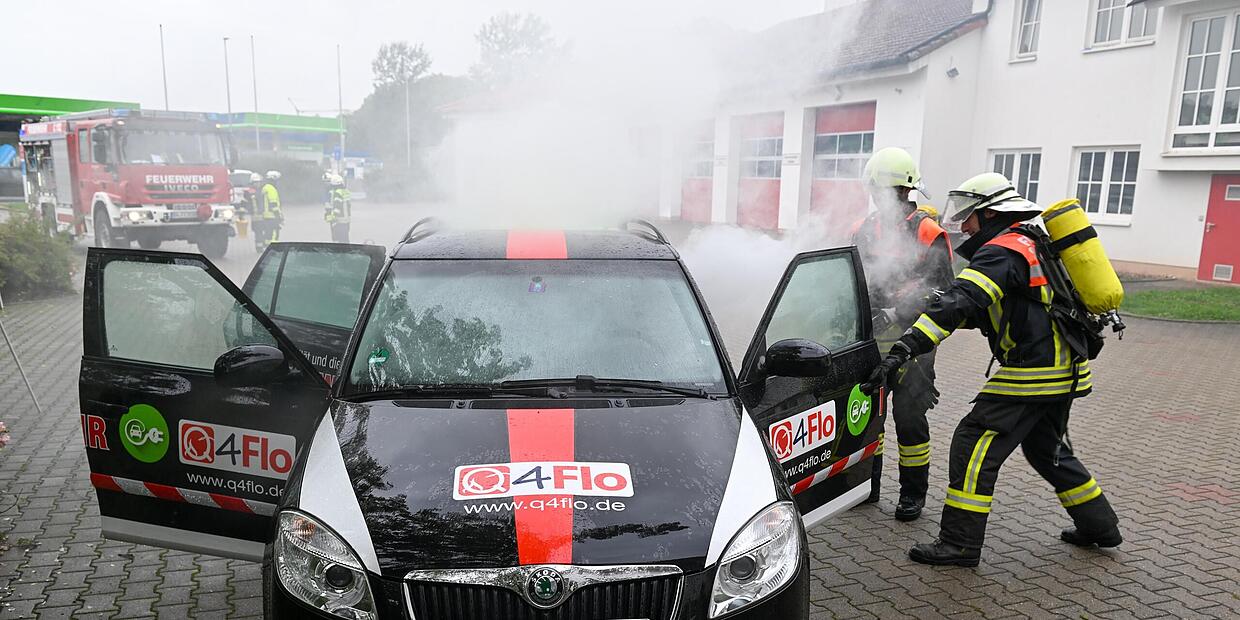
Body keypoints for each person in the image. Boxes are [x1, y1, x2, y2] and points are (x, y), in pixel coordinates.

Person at [862, 172, 1121, 567]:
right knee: (1046, 449)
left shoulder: (1002, 251)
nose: (964, 225)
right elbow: (985, 311)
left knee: (972, 443)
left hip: (1034, 372)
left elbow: (962, 301)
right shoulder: (1028, 242)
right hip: (1063, 366)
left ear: (991, 214)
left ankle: (959, 543)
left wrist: (905, 346)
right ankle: (1100, 525)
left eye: (970, 216)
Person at [851, 147, 954, 522]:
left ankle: (913, 495)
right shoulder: (861, 229)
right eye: (876, 191)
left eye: (885, 191)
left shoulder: (928, 232)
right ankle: (867, 486)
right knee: (868, 419)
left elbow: (943, 290)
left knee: (910, 420)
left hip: (914, 344)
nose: (879, 198)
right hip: (869, 344)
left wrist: (898, 310)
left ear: (904, 191)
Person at [252, 170, 283, 251]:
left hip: (266, 216)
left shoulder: (265, 187)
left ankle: (267, 249)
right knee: (274, 234)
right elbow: (273, 204)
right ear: (274, 179)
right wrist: (278, 216)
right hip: (272, 216)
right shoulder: (271, 189)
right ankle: (273, 250)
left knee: (268, 235)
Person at [324, 173, 352, 243]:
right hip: (347, 221)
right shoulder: (346, 191)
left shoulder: (337, 193)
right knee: (345, 240)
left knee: (338, 241)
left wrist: (331, 217)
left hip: (339, 221)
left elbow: (337, 208)